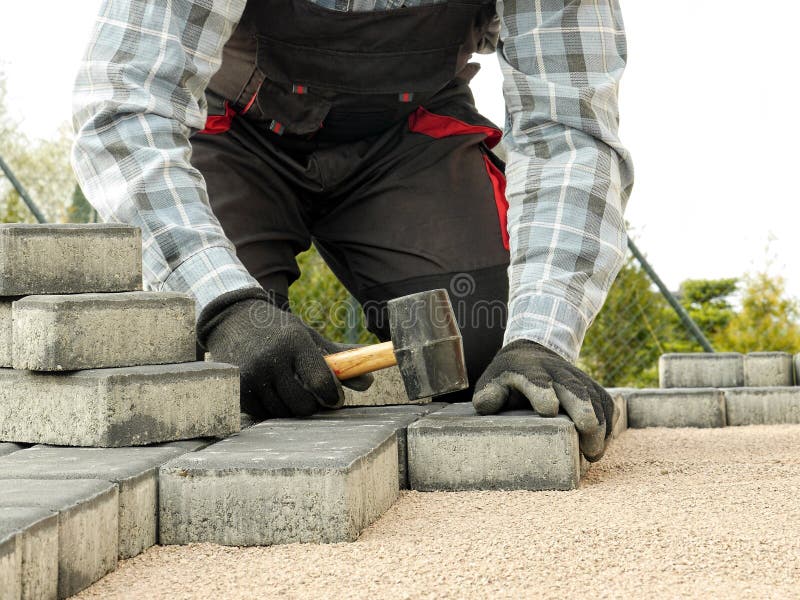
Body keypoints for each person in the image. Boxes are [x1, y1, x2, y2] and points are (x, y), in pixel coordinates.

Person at [71, 0, 633, 462]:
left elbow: (570, 135)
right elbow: (125, 104)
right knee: (229, 371)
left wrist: (540, 336)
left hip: (408, 137)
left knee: (479, 341)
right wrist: (221, 305)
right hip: (232, 131)